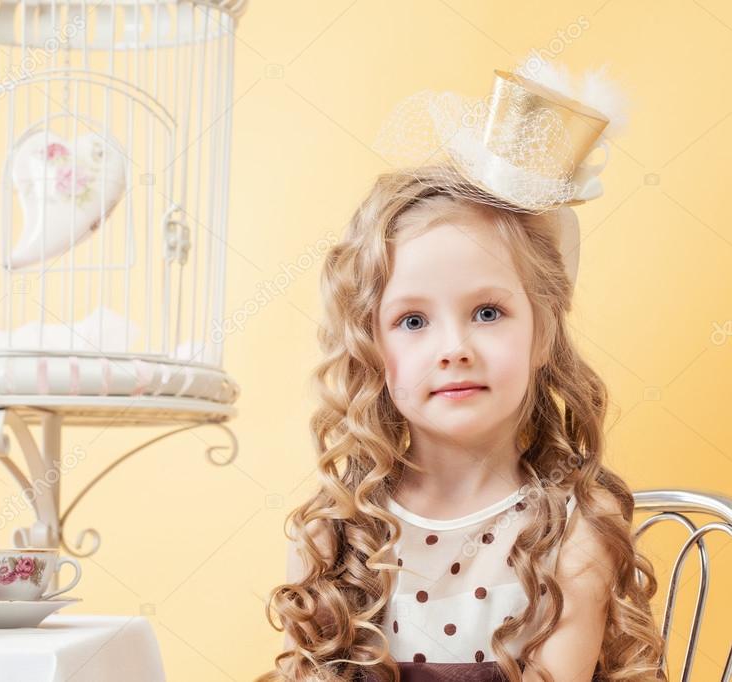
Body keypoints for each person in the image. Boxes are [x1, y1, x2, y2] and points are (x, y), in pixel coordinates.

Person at [258, 55, 667, 682]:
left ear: (541, 334)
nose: (454, 348)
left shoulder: (574, 533)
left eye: (487, 312)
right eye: (412, 321)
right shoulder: (336, 535)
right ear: (371, 347)